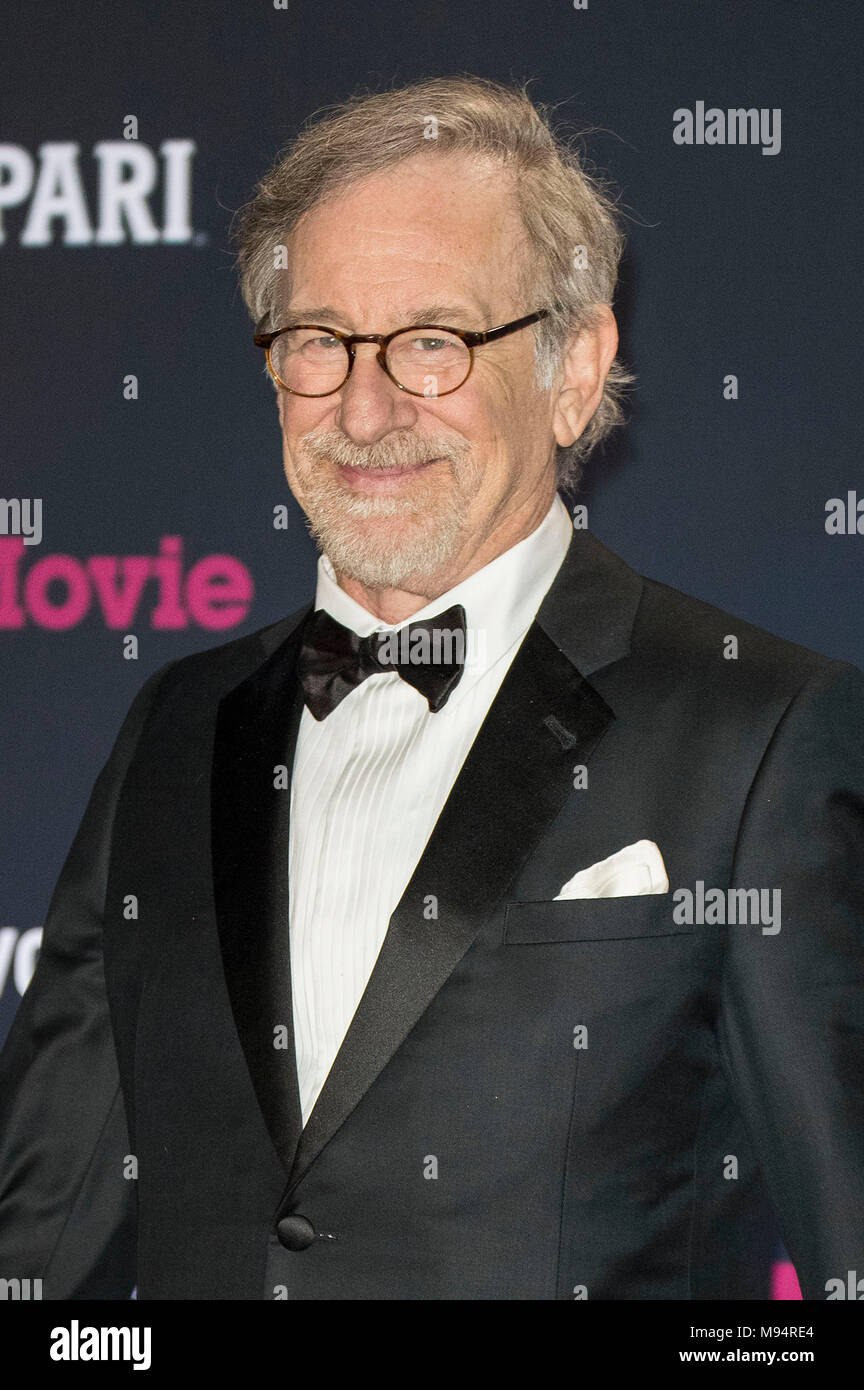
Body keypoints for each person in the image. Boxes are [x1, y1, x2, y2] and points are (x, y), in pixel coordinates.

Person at [1, 75, 862, 1301]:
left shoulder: (759, 734)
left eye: (432, 342)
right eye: (318, 341)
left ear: (574, 368)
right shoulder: (177, 729)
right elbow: (40, 1242)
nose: (365, 404)